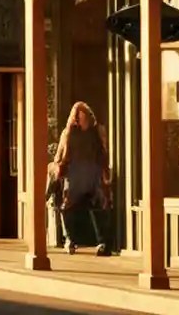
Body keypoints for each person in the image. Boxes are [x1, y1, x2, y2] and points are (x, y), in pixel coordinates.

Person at [53, 101, 112, 255]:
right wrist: (58, 168)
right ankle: (69, 240)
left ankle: (103, 242)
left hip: (92, 173)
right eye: (78, 118)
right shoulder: (69, 133)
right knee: (67, 207)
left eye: (84, 117)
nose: (81, 121)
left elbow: (103, 153)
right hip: (74, 174)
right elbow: (60, 154)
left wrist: (105, 172)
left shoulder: (96, 132)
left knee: (98, 206)